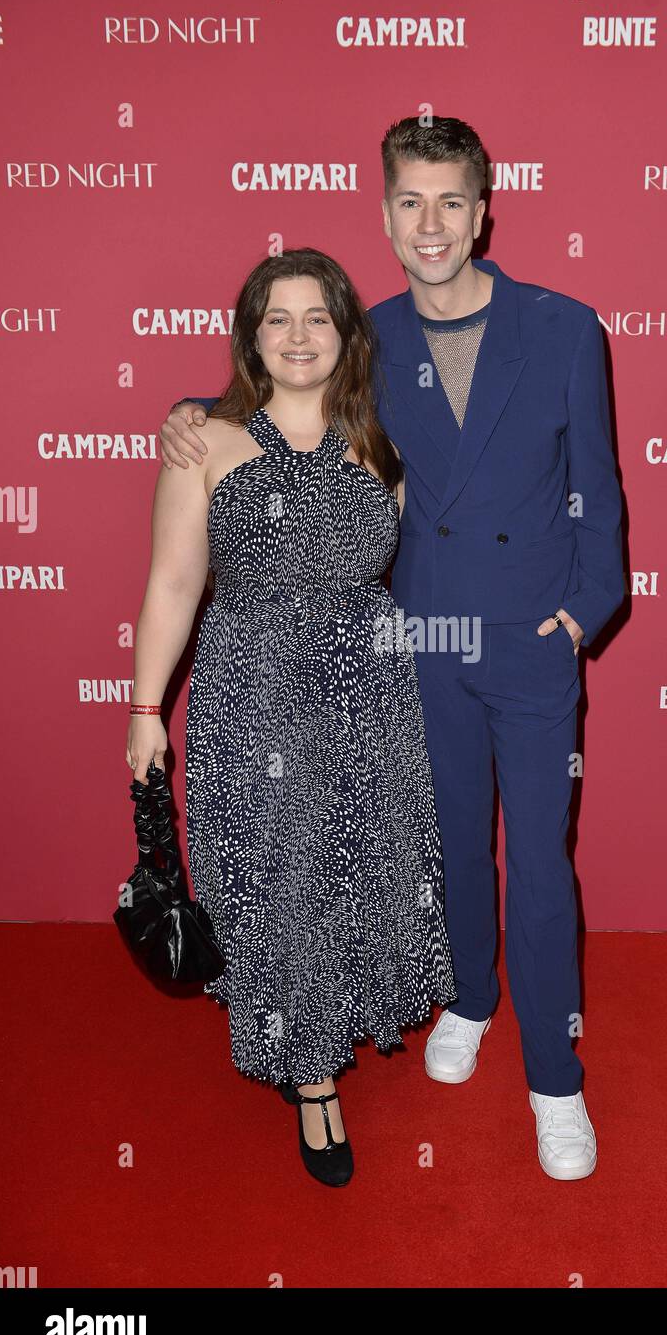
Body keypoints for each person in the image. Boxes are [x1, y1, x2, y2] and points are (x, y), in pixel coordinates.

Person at [159, 116, 625, 1181]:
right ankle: (470, 996)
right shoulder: (364, 338)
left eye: (450, 201)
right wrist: (183, 415)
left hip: (527, 637)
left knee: (540, 861)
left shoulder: (563, 328)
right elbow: (269, 414)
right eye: (409, 202)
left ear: (482, 210)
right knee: (452, 846)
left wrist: (582, 609)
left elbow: (599, 490)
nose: (431, 224)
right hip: (414, 640)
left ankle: (556, 1076)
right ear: (383, 212)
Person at [127, 248, 457, 1188]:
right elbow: (173, 582)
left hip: (370, 697)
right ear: (251, 336)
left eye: (319, 317)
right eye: (279, 317)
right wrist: (146, 707)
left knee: (355, 873)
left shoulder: (384, 438)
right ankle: (312, 1078)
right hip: (251, 695)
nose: (300, 335)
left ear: (348, 334)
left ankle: (335, 1011)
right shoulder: (207, 440)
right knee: (276, 876)